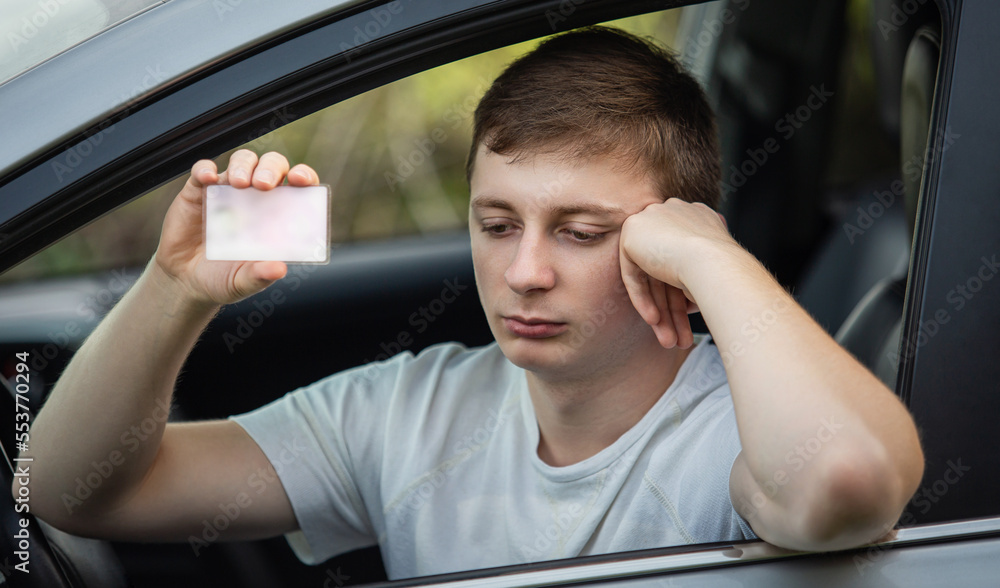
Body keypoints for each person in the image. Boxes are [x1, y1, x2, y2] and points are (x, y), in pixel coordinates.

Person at [21, 27, 924, 579]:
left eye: (580, 231)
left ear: (671, 239)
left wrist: (714, 261)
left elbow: (841, 484)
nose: (524, 271)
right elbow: (76, 492)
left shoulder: (736, 432)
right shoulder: (405, 412)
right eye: (497, 224)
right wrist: (175, 289)